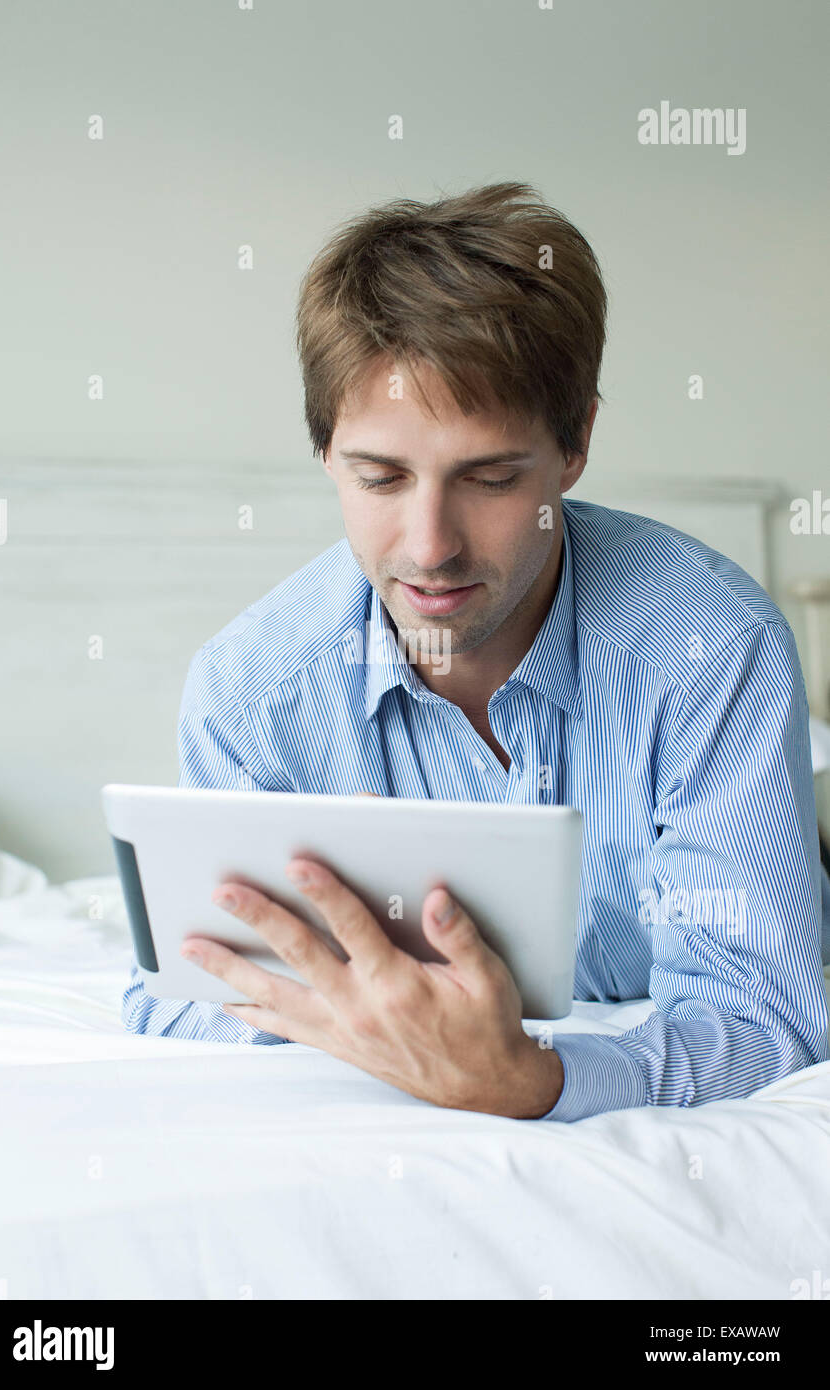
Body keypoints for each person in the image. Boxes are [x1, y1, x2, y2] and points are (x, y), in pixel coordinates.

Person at [122, 181, 829, 1121]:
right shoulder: (249, 690)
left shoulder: (713, 649)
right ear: (324, 453)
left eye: (490, 478)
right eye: (379, 477)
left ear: (574, 443)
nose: (428, 547)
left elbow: (766, 1014)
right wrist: (359, 1008)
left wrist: (535, 1082)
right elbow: (175, 1001)